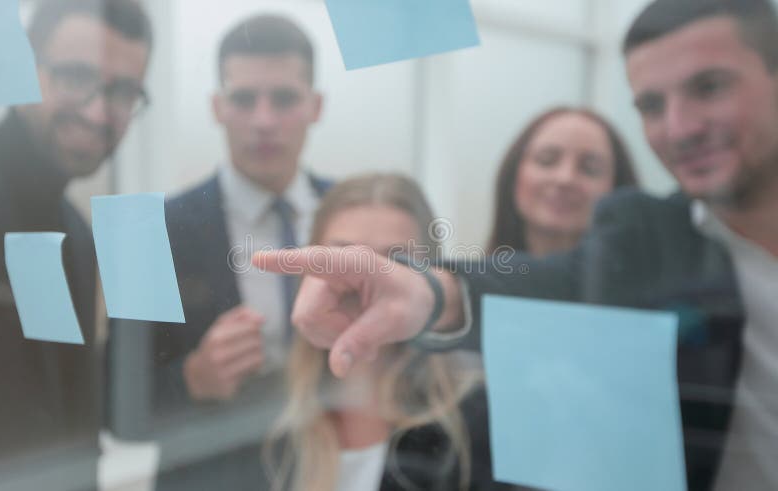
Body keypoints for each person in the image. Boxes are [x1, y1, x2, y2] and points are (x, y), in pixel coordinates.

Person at [255, 0, 778, 489]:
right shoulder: (646, 239)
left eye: (709, 87)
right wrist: (429, 291)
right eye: (650, 104)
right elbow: (560, 281)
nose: (680, 127)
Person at [141, 14, 332, 491]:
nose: (263, 120)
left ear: (316, 106)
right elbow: (114, 386)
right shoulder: (156, 231)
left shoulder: (352, 216)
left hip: (341, 464)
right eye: (244, 99)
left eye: (284, 98)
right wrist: (191, 378)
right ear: (217, 107)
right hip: (209, 474)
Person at [0, 0, 151, 489]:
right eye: (76, 76)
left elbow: (64, 420)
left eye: (122, 91)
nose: (98, 111)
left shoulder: (75, 234)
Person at [264, 173, 508, 491]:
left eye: (395, 261)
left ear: (429, 279)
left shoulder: (479, 421)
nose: (367, 281)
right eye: (343, 257)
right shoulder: (267, 414)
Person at [487, 107, 638, 256]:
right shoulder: (469, 278)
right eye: (546, 160)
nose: (565, 178)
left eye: (589, 169)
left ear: (618, 187)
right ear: (513, 174)